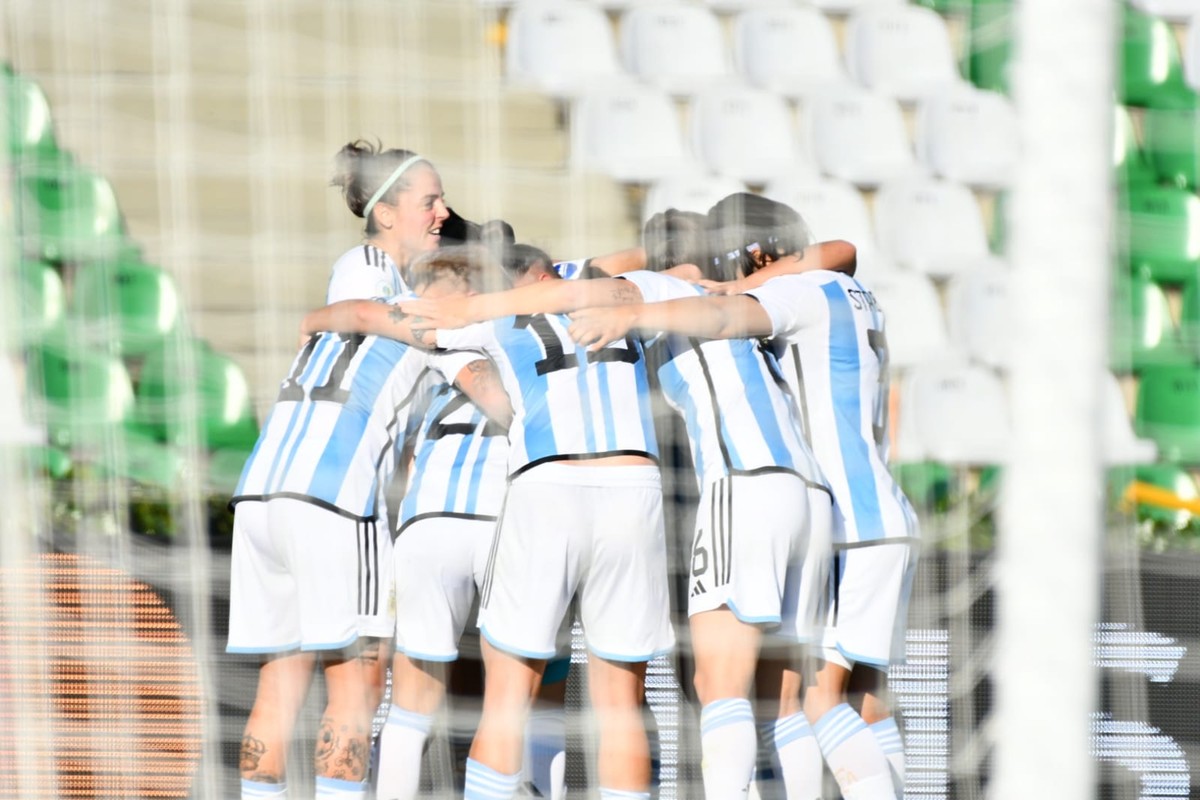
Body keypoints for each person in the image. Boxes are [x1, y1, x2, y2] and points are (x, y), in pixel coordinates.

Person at [568, 192, 920, 800]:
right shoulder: (843, 292)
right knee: (827, 697)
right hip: (835, 502)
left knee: (736, 685)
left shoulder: (741, 296)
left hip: (769, 488)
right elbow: (843, 252)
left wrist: (641, 297)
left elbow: (594, 279)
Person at [300, 250, 674, 800]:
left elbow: (376, 317)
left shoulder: (487, 319)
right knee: (618, 702)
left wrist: (313, 320)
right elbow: (687, 276)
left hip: (527, 492)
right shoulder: (630, 295)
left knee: (490, 699)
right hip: (632, 486)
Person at [227, 249, 510, 800]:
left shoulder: (325, 332)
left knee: (277, 684)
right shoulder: (428, 325)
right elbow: (495, 396)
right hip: (333, 500)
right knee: (356, 683)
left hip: (257, 495)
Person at [372, 244, 567, 800]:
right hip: (507, 525)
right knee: (527, 696)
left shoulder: (426, 347)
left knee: (411, 705)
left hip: (428, 521)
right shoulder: (509, 335)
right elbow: (508, 405)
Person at [327, 141, 451, 303]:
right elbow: (364, 318)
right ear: (385, 215)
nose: (445, 213)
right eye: (428, 204)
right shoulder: (362, 266)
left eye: (442, 200)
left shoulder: (413, 278)